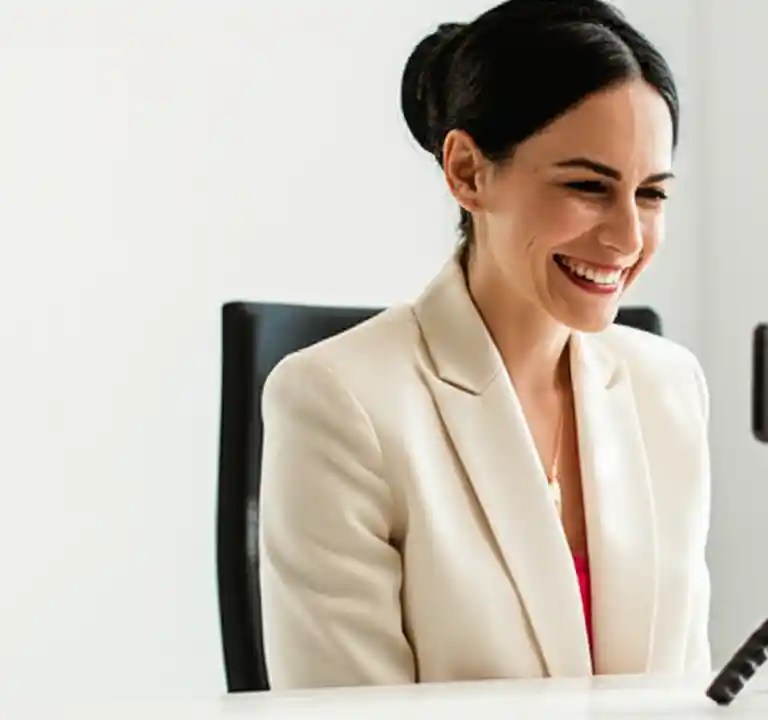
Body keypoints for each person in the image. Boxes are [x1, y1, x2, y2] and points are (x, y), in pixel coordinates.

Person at [257, 0, 712, 690]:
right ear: (468, 171)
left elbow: (686, 689)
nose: (627, 238)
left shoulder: (668, 388)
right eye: (588, 187)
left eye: (650, 195)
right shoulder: (338, 401)